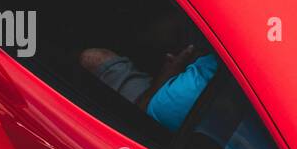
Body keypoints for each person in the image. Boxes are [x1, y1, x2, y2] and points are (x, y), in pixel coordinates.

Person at [79, 42, 219, 131]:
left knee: (92, 58)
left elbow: (141, 114)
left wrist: (165, 77)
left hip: (155, 104)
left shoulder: (185, 93)